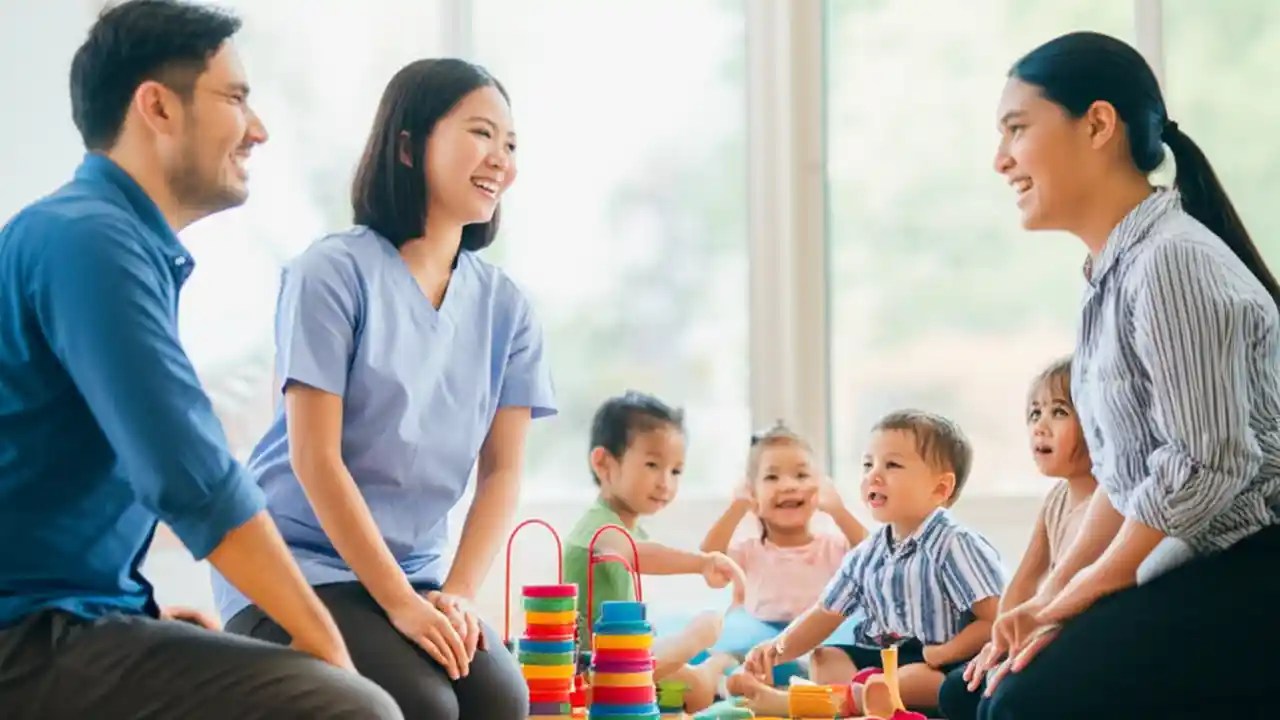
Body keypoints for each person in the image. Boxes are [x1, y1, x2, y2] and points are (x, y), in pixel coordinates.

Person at [0, 2, 400, 718]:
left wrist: (140, 615)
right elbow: (190, 476)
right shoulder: (89, 240)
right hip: (26, 638)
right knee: (355, 709)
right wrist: (331, 655)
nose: (258, 129)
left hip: (69, 615)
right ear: (156, 106)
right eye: (235, 98)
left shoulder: (95, 236)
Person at [213, 57, 556, 719]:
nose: (501, 160)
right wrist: (397, 602)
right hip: (298, 569)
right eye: (482, 134)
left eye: (510, 144)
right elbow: (317, 459)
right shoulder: (331, 273)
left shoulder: (507, 307)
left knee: (502, 698)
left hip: (418, 573)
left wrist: (455, 592)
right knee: (423, 705)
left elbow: (503, 472)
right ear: (408, 145)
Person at [970, 30, 1280, 719]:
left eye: (1017, 129)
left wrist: (1078, 595)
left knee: (1025, 703)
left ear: (1098, 124)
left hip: (1255, 565)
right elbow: (1126, 479)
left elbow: (1208, 462)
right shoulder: (1112, 273)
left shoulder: (1170, 261)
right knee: (981, 689)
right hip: (1203, 559)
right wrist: (1051, 598)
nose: (1000, 160)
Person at [732, 410, 1006, 716]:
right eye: (867, 464)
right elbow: (825, 613)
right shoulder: (869, 553)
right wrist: (776, 648)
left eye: (892, 465)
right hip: (890, 657)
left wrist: (945, 653)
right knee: (825, 658)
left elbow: (995, 619)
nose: (873, 475)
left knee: (914, 681)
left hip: (945, 663)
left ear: (941, 488)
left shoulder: (954, 544)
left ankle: (813, 703)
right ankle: (860, 703)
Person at [563, 391, 747, 712]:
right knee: (697, 647)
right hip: (591, 672)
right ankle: (713, 661)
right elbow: (634, 554)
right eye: (652, 465)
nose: (666, 483)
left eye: (676, 471)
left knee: (693, 683)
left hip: (622, 662)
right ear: (604, 463)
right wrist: (701, 563)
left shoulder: (628, 528)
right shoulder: (598, 528)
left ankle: (717, 666)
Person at [937, 357, 1096, 719]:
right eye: (1034, 413)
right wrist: (995, 644)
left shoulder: (1108, 503)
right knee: (957, 689)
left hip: (1072, 639)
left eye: (1059, 411)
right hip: (1037, 630)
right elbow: (1024, 580)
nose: (1040, 426)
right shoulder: (1056, 499)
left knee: (1004, 702)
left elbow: (1079, 601)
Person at [699, 421, 867, 682]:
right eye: (772, 477)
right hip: (759, 646)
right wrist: (736, 507)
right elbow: (707, 558)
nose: (788, 485)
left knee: (841, 649)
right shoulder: (750, 551)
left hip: (816, 645)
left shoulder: (832, 547)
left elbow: (875, 557)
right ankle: (716, 679)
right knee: (722, 648)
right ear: (753, 495)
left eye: (801, 475)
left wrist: (839, 511)